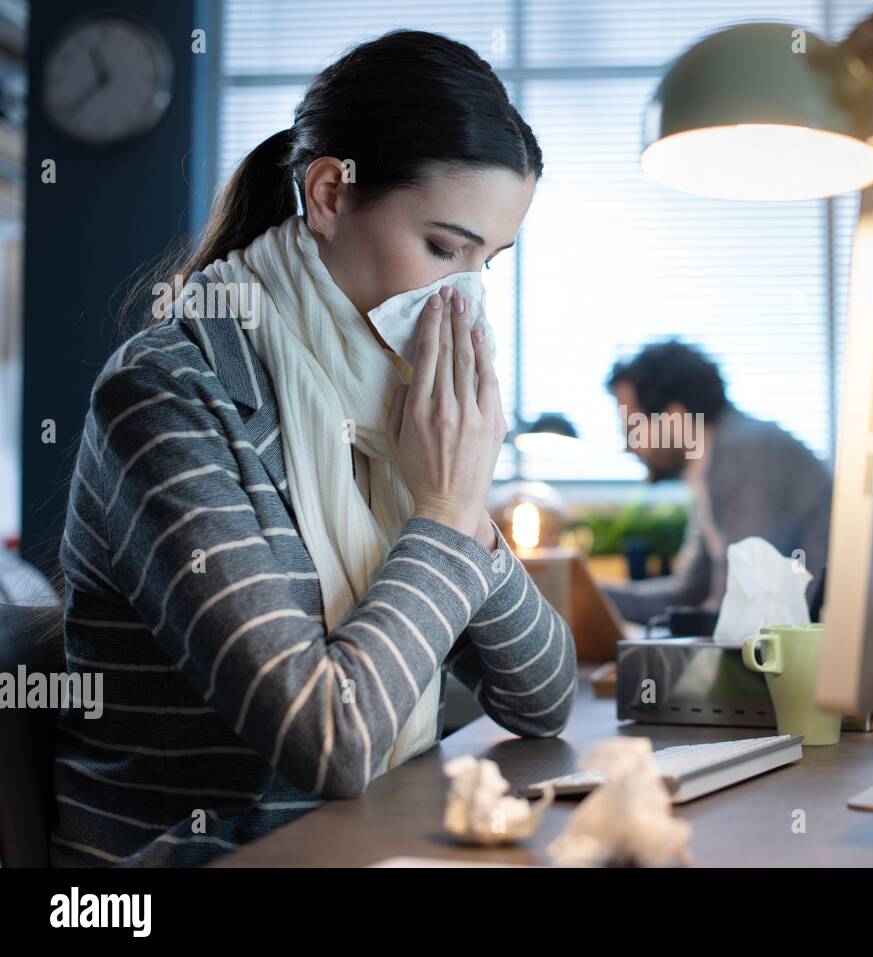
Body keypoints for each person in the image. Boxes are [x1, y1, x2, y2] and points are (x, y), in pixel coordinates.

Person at [50, 31, 575, 867]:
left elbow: (545, 697)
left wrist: (462, 503)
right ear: (329, 194)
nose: (466, 299)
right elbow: (329, 742)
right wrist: (441, 509)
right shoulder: (167, 393)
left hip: (375, 843)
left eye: (489, 263)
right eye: (444, 248)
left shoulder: (390, 402)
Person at [603, 340, 833, 624]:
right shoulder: (711, 465)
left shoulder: (748, 452)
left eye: (632, 428)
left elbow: (742, 606)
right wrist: (588, 595)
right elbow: (689, 594)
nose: (628, 446)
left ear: (674, 418)